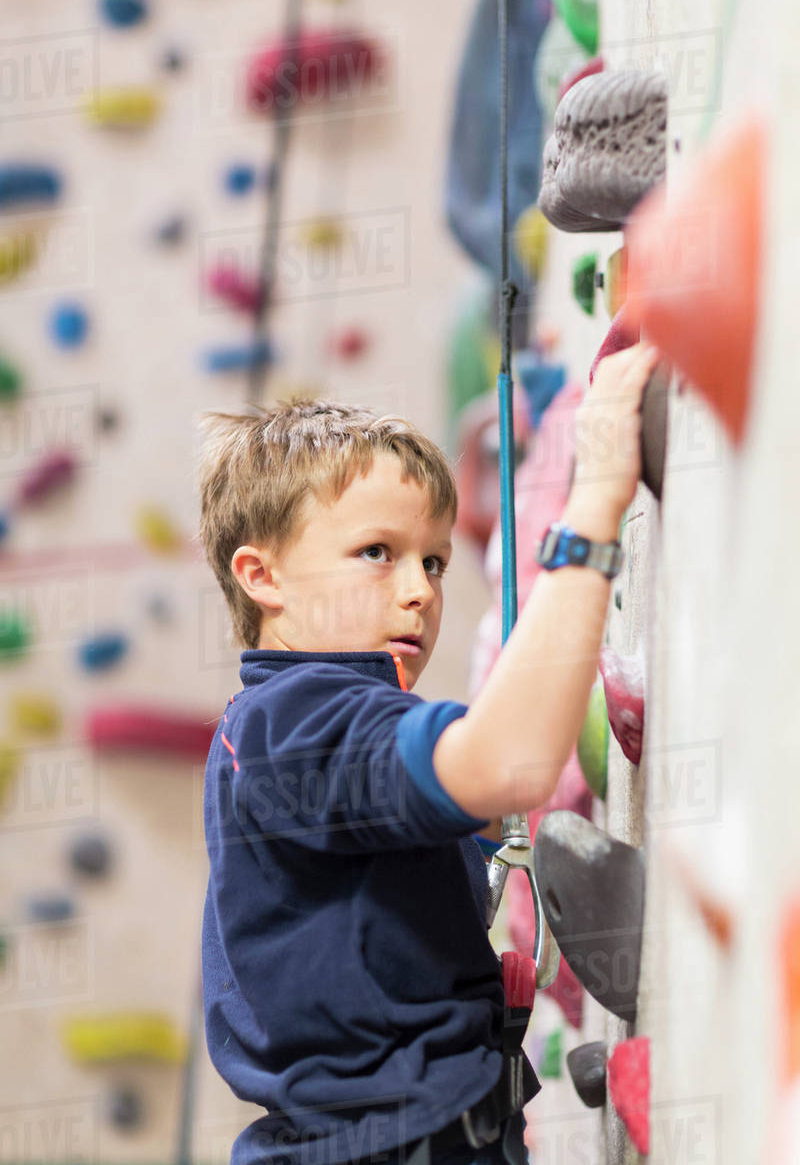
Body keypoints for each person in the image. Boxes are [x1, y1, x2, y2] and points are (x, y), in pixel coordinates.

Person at [195, 343, 660, 1165]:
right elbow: (509, 764)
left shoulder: (302, 721)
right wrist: (594, 504)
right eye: (377, 552)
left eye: (434, 561)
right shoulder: (296, 722)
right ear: (261, 575)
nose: (420, 590)